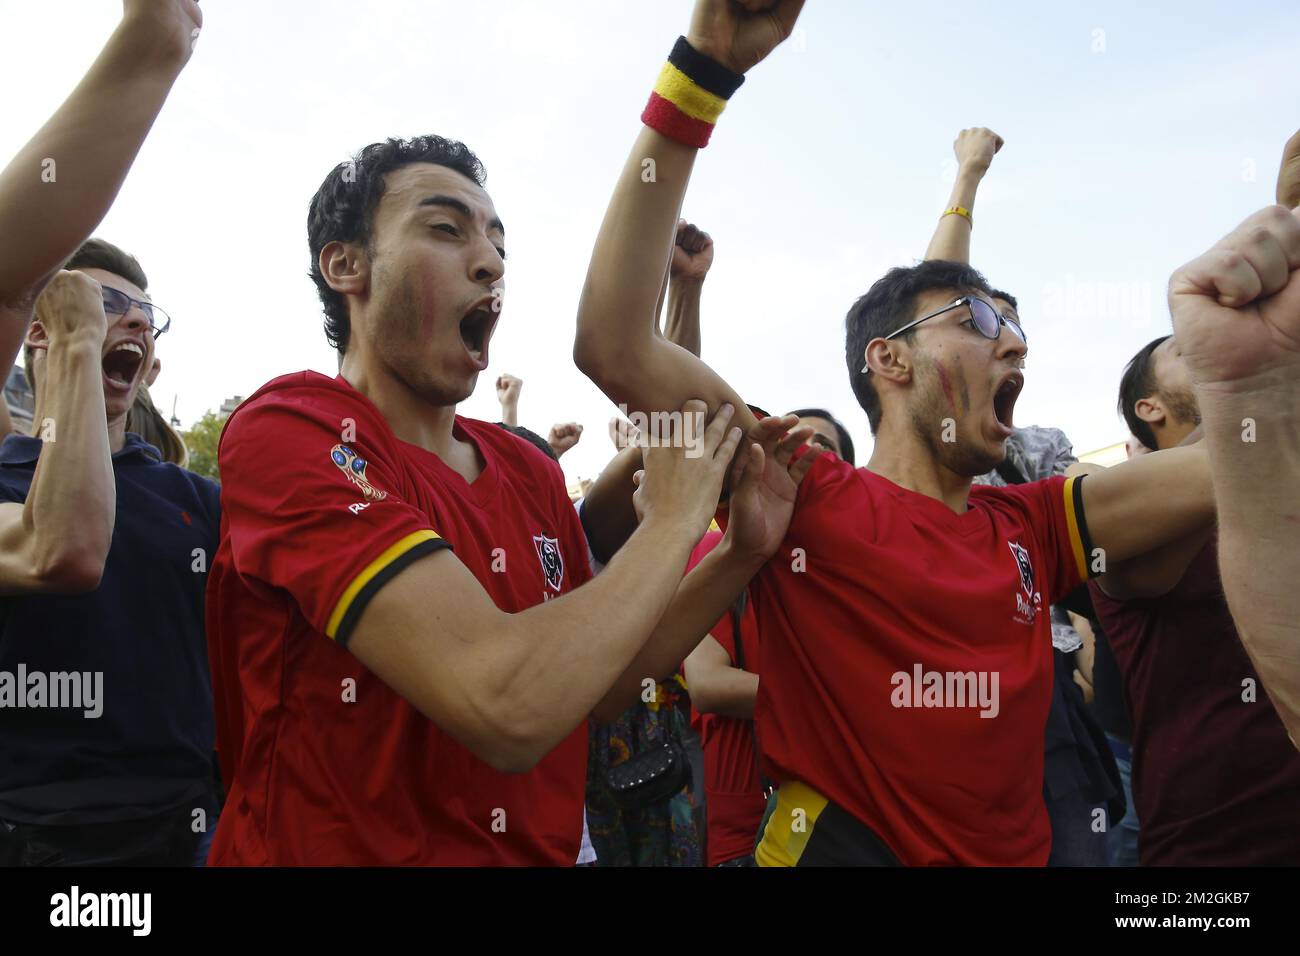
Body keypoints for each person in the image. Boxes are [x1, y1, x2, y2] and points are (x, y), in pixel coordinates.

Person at [574, 0, 1240, 866]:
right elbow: (616, 344)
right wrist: (701, 72)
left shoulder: (1036, 524)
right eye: (978, 319)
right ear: (887, 361)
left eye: (1016, 327)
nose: (1014, 340)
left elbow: (1241, 454)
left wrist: (1262, 352)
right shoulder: (798, 488)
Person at [205, 133, 816, 865]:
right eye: (445, 229)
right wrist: (675, 520)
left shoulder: (525, 472)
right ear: (346, 265)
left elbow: (596, 684)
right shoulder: (293, 431)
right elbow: (504, 705)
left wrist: (742, 552)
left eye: (498, 243)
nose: (491, 262)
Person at [0, 2, 220, 867]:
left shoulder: (197, 499)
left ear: (155, 363)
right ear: (43, 328)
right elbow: (62, 549)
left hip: (185, 829)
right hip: (31, 837)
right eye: (89, 302)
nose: (115, 322)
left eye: (137, 314)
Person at [1086, 321, 1300, 863]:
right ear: (1150, 407)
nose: (1217, 350)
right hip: (1212, 845)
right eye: (1190, 351)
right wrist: (1243, 385)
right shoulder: (1110, 500)